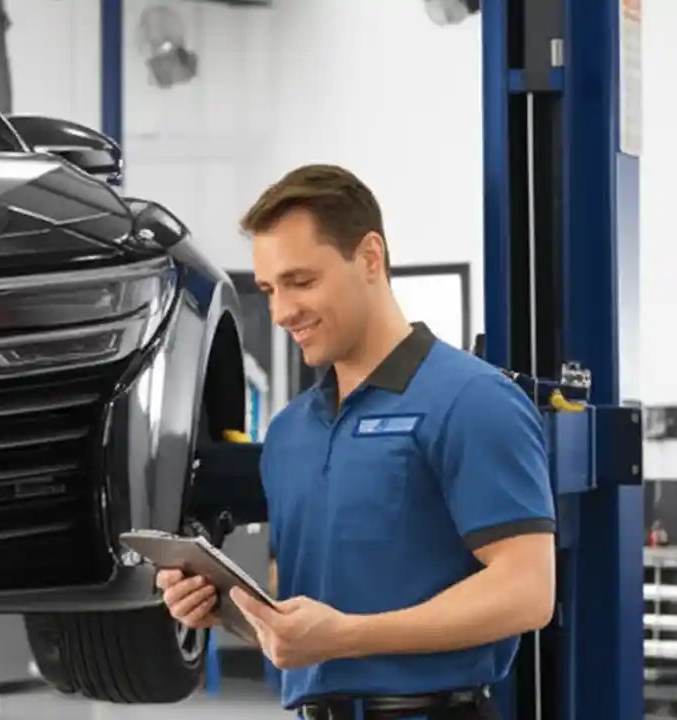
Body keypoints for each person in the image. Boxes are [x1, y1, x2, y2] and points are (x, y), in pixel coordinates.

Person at [155, 164, 558, 720]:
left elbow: (527, 591)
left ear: (370, 258)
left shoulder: (472, 401)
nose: (280, 312)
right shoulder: (291, 431)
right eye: (270, 290)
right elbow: (309, 617)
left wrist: (346, 636)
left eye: (301, 281)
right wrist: (223, 608)